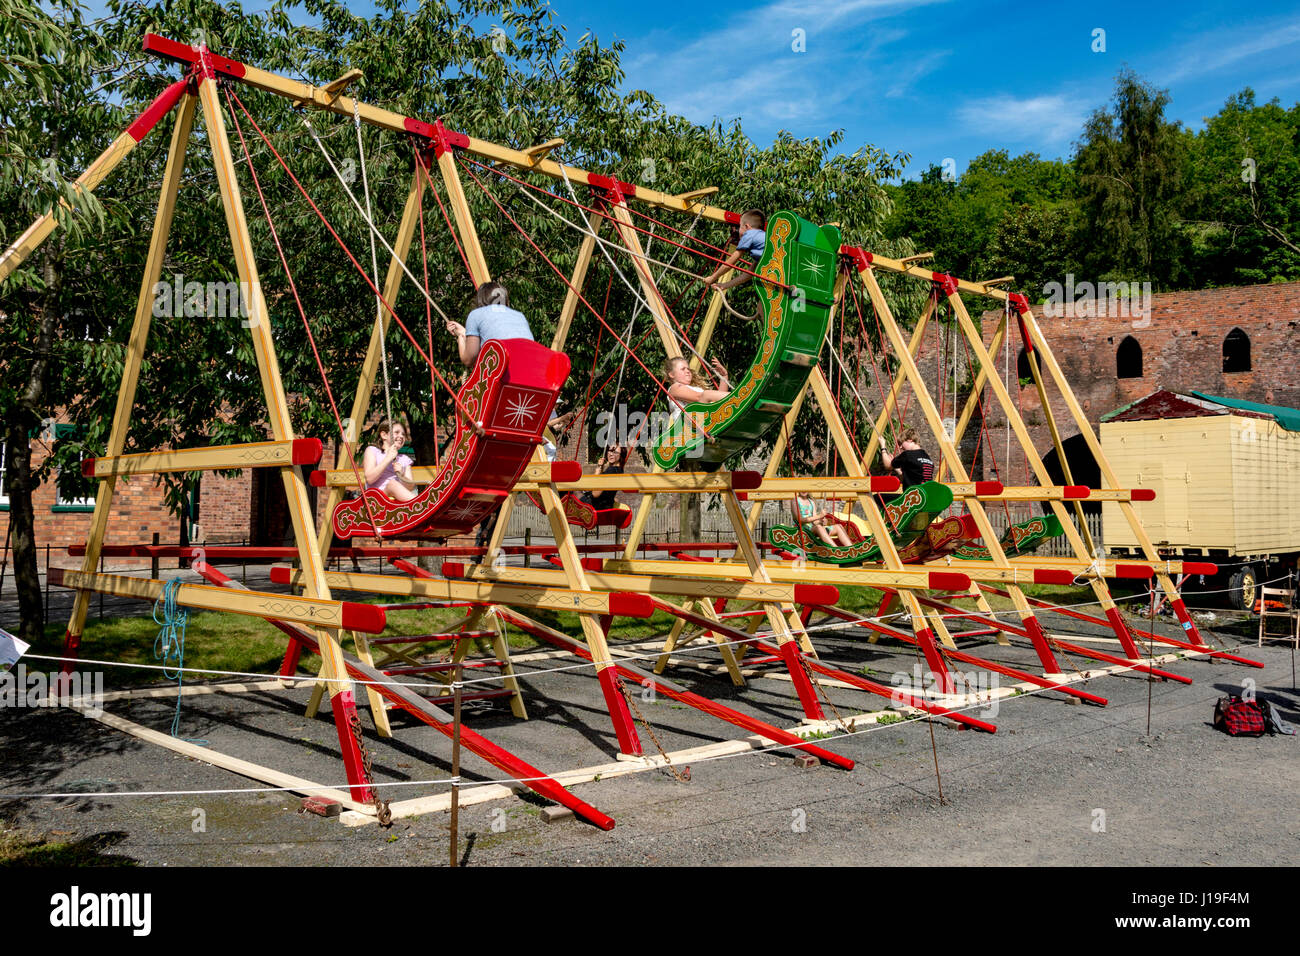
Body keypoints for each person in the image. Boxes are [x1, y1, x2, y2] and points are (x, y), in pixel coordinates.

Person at [445, 281, 534, 366]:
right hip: (531, 366)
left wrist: (460, 337)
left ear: (481, 298)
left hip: (507, 370)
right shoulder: (519, 315)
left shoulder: (476, 314)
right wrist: (465, 332)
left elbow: (469, 359)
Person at [699, 209, 766, 298]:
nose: (738, 231)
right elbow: (749, 274)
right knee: (761, 308)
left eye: (740, 227)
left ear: (746, 226)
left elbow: (730, 263)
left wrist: (712, 278)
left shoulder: (749, 234)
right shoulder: (763, 246)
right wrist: (725, 285)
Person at [362, 419, 418, 502]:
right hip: (377, 499)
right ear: (384, 435)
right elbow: (370, 478)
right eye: (397, 432)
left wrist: (402, 476)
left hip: (397, 498)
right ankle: (419, 504)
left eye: (403, 434)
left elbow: (410, 487)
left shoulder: (404, 459)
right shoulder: (372, 451)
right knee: (392, 484)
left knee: (394, 484)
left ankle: (418, 504)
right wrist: (388, 458)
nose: (401, 436)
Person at [664, 355, 731, 414]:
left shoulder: (694, 388)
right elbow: (698, 397)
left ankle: (733, 398)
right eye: (683, 369)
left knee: (708, 395)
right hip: (688, 423)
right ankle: (734, 397)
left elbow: (718, 401)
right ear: (671, 374)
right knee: (706, 394)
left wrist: (723, 376)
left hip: (702, 416)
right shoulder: (674, 388)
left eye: (688, 369)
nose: (687, 371)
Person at [580, 444, 627, 511]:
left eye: (615, 452)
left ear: (621, 455)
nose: (611, 454)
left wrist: (597, 471)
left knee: (570, 492)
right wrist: (600, 467)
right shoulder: (619, 470)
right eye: (610, 451)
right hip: (606, 506)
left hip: (594, 507)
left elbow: (595, 494)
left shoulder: (611, 470)